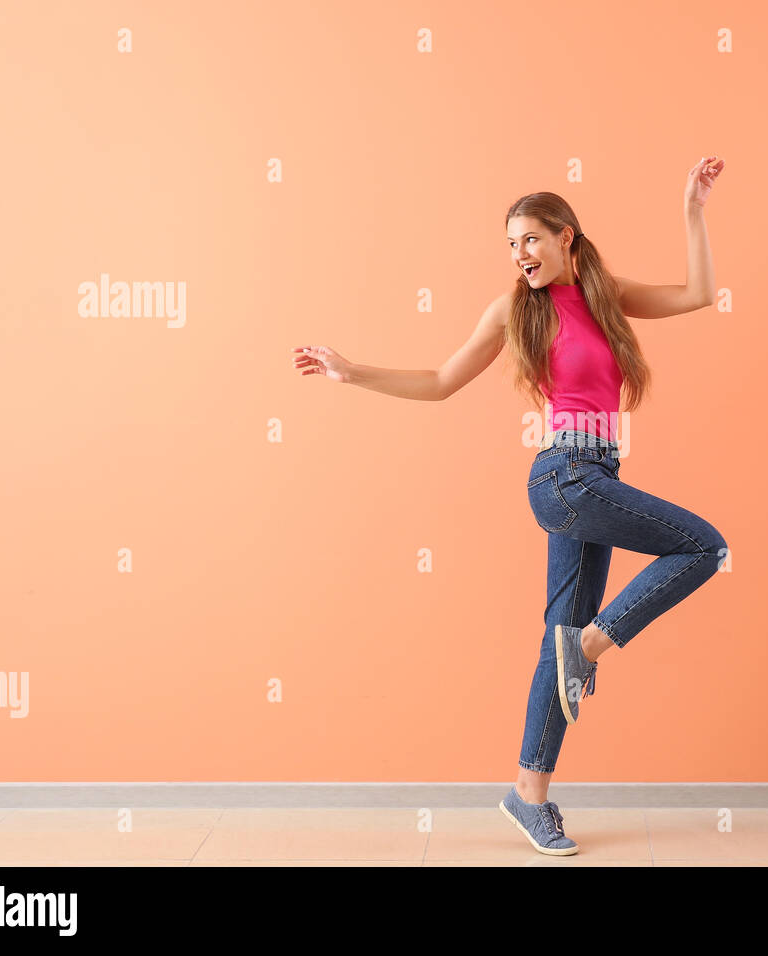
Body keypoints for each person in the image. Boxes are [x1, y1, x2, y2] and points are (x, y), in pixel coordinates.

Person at [292, 156, 728, 855]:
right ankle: (587, 648)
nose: (520, 253)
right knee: (704, 547)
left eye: (530, 238)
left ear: (566, 241)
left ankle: (529, 794)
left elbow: (700, 292)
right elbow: (439, 380)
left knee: (558, 631)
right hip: (563, 477)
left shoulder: (605, 295)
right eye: (511, 243)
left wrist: (693, 210)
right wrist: (352, 372)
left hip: (598, 473)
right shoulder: (514, 310)